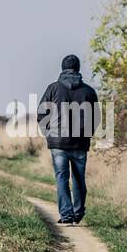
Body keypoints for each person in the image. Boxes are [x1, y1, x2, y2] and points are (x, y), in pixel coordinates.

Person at [37, 54, 99, 225]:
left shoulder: (53, 88)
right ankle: (78, 213)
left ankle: (66, 215)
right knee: (79, 178)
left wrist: (48, 133)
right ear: (78, 68)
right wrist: (87, 134)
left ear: (62, 68)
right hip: (80, 143)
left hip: (58, 143)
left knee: (61, 178)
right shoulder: (89, 91)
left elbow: (41, 113)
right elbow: (96, 118)